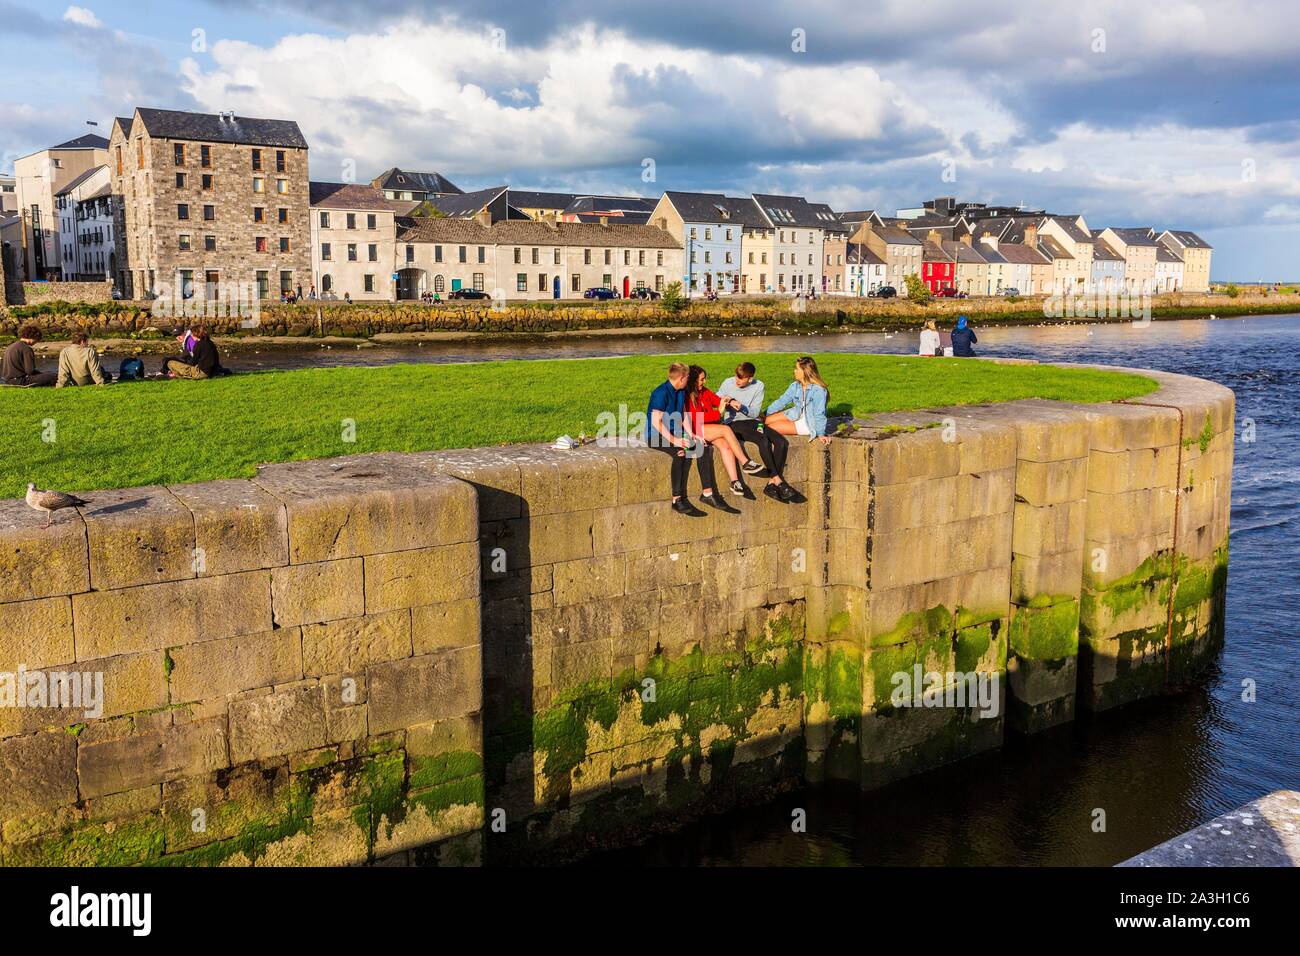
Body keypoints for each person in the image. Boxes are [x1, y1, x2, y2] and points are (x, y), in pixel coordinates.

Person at [647, 362, 727, 516]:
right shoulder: (660, 393)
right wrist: (675, 440)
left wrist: (692, 434)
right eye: (688, 378)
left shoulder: (681, 391)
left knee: (701, 447)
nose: (690, 381)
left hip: (675, 432)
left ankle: (708, 493)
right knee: (680, 453)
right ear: (682, 378)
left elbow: (684, 416)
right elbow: (656, 422)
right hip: (656, 435)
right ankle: (677, 500)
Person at [720, 362, 799, 503]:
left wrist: (742, 407)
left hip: (752, 420)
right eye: (736, 377)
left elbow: (755, 412)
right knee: (762, 440)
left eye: (741, 379)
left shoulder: (758, 386)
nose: (737, 381)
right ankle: (778, 481)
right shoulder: (728, 383)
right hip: (734, 423)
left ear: (750, 379)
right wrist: (727, 401)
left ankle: (771, 484)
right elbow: (716, 399)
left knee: (781, 442)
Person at [684, 364, 753, 502]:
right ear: (693, 380)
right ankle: (745, 462)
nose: (704, 382)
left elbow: (717, 400)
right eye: (701, 379)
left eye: (704, 379)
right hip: (694, 429)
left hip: (709, 429)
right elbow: (694, 418)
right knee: (726, 429)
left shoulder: (704, 391)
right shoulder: (686, 396)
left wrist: (730, 401)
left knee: (725, 445)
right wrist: (718, 413)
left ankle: (735, 482)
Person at [765, 355, 832, 449]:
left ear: (805, 371)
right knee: (764, 421)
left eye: (797, 369)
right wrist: (765, 414)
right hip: (795, 414)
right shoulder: (795, 386)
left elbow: (819, 413)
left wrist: (821, 433)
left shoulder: (819, 391)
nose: (794, 371)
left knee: (771, 427)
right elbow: (781, 401)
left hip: (807, 423)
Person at [163, 324, 227, 379]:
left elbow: (193, 361)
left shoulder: (198, 344)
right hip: (213, 371)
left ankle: (175, 375)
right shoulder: (210, 342)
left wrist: (184, 366)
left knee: (170, 363)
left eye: (192, 334)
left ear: (196, 334)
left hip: (203, 373)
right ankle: (176, 374)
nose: (191, 335)